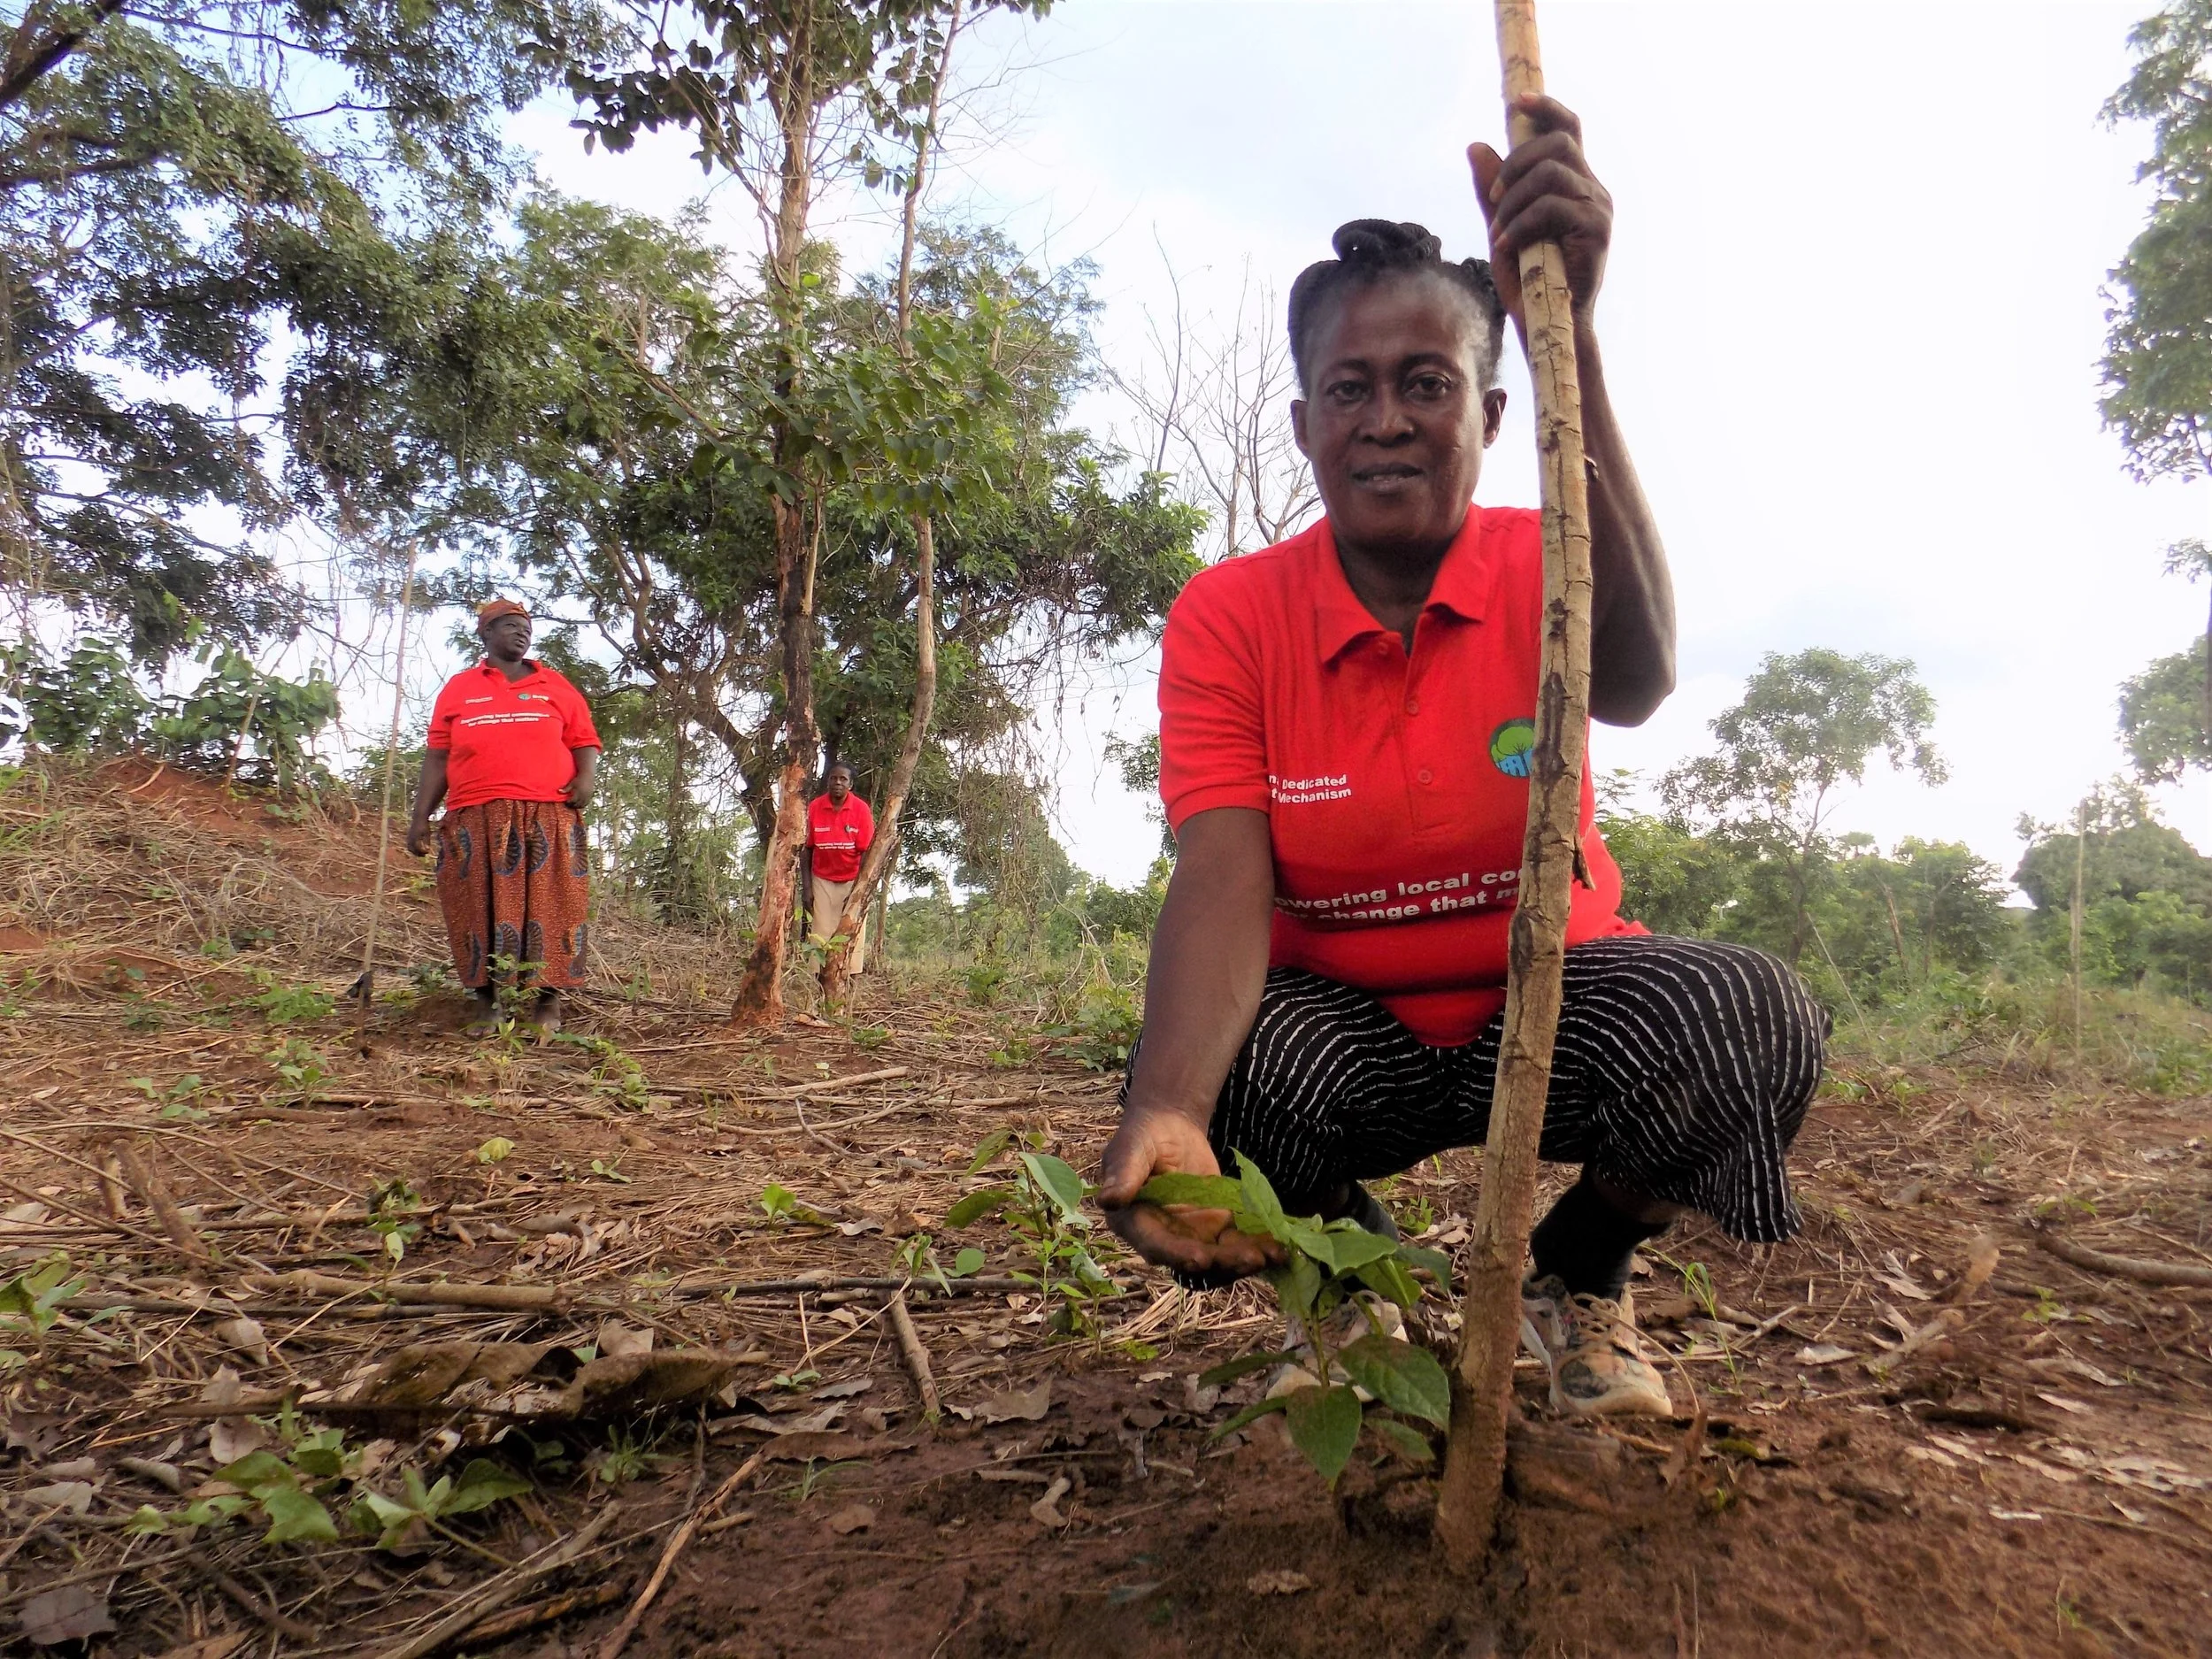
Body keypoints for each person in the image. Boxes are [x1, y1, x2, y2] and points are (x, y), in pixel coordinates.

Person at [1096, 99, 1827, 1420]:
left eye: (1426, 383)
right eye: (1352, 388)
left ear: (1489, 411)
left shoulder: (1550, 553)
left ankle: (1576, 1274)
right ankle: (1347, 1281)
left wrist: (1578, 334)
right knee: (1221, 1078)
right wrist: (1165, 1105)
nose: (1387, 417)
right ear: (1309, 422)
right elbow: (1220, 870)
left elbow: (1642, 679)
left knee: (1748, 1018)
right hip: (1349, 1028)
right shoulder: (1229, 613)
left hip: (1554, 1001)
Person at [405, 599, 602, 1037]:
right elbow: (438, 756)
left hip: (549, 812)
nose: (522, 634)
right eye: (510, 626)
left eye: (526, 628)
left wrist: (585, 777)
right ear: (486, 634)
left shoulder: (556, 685)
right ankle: (486, 1002)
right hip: (474, 814)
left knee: (555, 907)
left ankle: (548, 1001)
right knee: (475, 907)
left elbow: (584, 739)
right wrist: (420, 817)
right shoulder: (459, 688)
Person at [803, 762, 875, 972]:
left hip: (852, 879)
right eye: (833, 778)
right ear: (828, 782)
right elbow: (806, 848)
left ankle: (848, 983)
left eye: (843, 779)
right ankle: (819, 983)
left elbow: (867, 852)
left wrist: (859, 889)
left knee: (851, 933)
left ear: (850, 785)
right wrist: (807, 888)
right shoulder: (815, 808)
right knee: (821, 933)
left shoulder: (861, 810)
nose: (837, 782)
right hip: (822, 879)